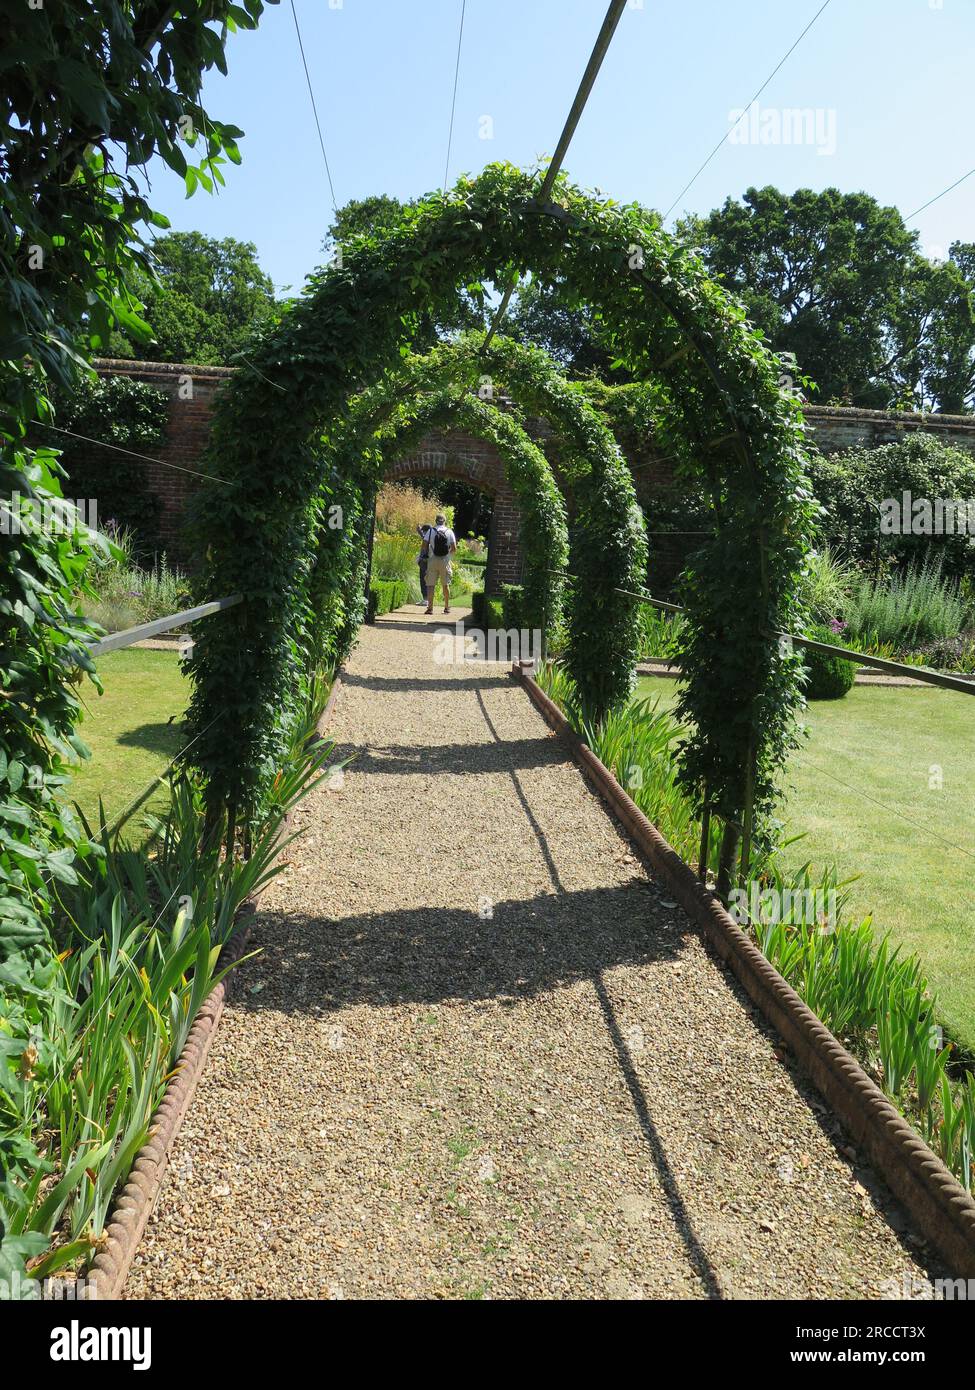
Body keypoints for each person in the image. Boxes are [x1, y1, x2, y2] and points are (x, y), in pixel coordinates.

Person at [424, 513, 456, 615]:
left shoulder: (430, 531)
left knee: (430, 585)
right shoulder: (449, 531)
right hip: (444, 560)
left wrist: (427, 553)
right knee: (445, 584)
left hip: (432, 559)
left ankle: (430, 608)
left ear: (436, 521)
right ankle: (446, 607)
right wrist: (447, 554)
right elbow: (454, 548)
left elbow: (424, 545)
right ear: (444, 521)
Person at [416, 524, 431, 607]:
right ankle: (425, 599)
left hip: (425, 562)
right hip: (427, 561)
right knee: (425, 580)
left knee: (423, 579)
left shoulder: (428, 536)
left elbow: (425, 539)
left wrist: (419, 531)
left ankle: (426, 600)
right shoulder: (431, 536)